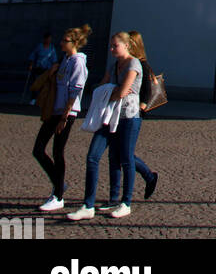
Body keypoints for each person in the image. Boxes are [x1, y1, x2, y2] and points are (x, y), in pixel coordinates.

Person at [68, 31, 144, 220]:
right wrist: (103, 92)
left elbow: (122, 91)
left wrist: (103, 93)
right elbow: (103, 86)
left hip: (128, 117)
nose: (111, 49)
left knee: (126, 159)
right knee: (93, 156)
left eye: (115, 46)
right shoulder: (114, 64)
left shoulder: (134, 64)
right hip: (110, 116)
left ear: (127, 45)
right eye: (111, 46)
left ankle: (126, 202)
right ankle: (88, 205)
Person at [32, 24, 91, 212]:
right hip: (55, 111)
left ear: (74, 43)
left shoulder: (77, 62)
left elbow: (75, 91)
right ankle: (59, 183)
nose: (61, 43)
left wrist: (64, 117)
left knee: (58, 152)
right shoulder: (64, 59)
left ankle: (58, 196)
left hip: (66, 113)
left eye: (65, 41)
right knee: (38, 149)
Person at [96, 31, 158, 208]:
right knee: (119, 155)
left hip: (132, 114)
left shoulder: (139, 65)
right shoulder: (118, 65)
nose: (114, 48)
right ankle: (115, 197)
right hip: (117, 114)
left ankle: (144, 181)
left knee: (126, 156)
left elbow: (146, 90)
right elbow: (109, 86)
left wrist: (142, 107)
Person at [27, 32, 58, 103]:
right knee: (36, 83)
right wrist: (31, 64)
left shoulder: (52, 48)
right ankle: (33, 98)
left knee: (45, 84)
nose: (48, 41)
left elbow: (54, 59)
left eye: (50, 39)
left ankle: (42, 98)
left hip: (47, 69)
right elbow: (33, 55)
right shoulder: (39, 47)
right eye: (47, 39)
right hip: (38, 68)